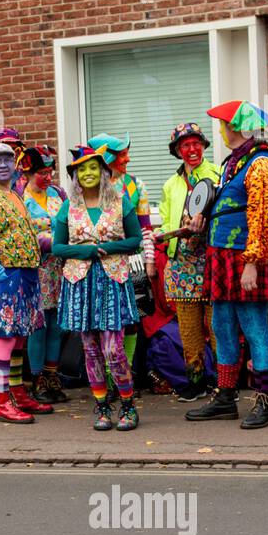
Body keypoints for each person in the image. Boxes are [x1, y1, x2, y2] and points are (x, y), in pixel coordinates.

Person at [186, 100, 268, 429]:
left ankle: (263, 402)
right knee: (222, 327)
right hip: (221, 258)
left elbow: (264, 218)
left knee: (255, 329)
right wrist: (201, 220)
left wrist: (252, 263)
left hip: (245, 259)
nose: (223, 130)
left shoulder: (263, 164)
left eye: (226, 124)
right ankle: (226, 399)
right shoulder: (232, 164)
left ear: (239, 127)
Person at [53, 145, 142, 432]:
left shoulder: (119, 201)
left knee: (113, 349)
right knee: (91, 349)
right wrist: (87, 253)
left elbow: (135, 240)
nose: (87, 173)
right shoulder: (68, 206)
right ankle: (102, 406)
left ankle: (127, 405)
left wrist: (105, 248)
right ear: (75, 175)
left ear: (103, 172)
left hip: (112, 281)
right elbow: (57, 247)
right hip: (80, 282)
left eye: (93, 168)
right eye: (82, 169)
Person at [0, 141, 49, 424]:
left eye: (8, 159)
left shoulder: (14, 194)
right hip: (6, 276)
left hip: (26, 275)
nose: (3, 164)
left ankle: (18, 393)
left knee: (18, 339)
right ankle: (3, 402)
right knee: (4, 339)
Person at [156, 123, 220, 401]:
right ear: (177, 151)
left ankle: (224, 383)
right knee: (188, 327)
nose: (191, 150)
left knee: (217, 324)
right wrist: (167, 235)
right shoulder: (170, 184)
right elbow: (166, 217)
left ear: (204, 146)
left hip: (211, 257)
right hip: (181, 261)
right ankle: (195, 381)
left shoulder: (218, 174)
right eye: (185, 146)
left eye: (196, 144)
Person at [87, 132, 155, 386]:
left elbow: (146, 228)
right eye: (120, 154)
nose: (127, 158)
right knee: (104, 321)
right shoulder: (90, 187)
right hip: (100, 263)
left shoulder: (137, 185)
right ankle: (105, 376)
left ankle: (123, 376)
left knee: (132, 320)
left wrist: (149, 261)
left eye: (127, 152)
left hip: (133, 262)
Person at [21, 144, 68, 402]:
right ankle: (37, 379)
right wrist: (51, 243)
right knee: (38, 325)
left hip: (58, 270)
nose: (48, 176)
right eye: (42, 172)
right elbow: (22, 236)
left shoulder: (58, 195)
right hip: (35, 271)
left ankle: (53, 376)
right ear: (29, 173)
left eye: (50, 171)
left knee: (57, 326)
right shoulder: (21, 198)